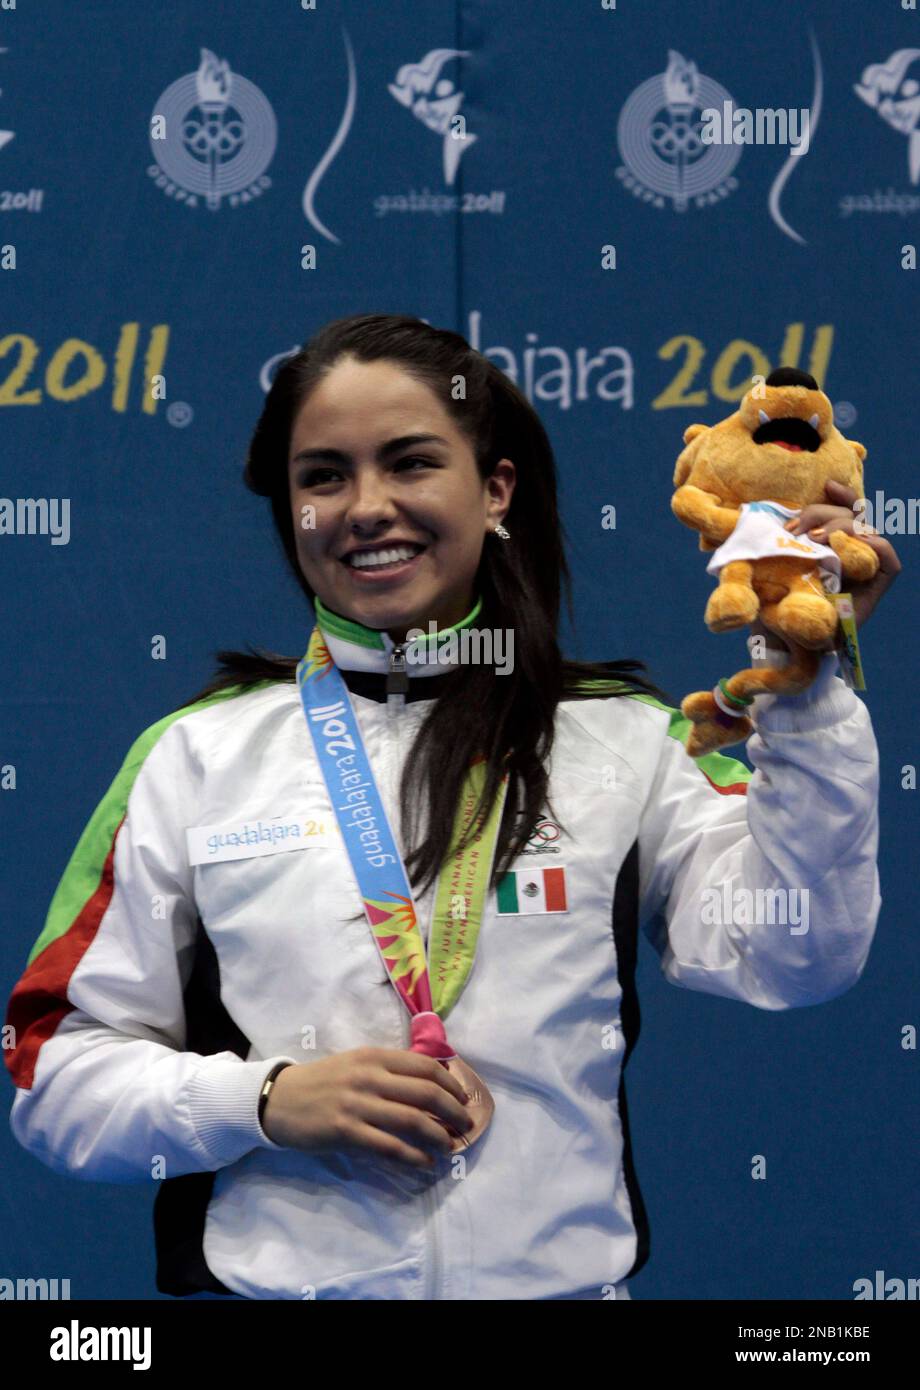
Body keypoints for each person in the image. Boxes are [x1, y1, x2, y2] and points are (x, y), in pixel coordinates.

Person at [3, 314, 900, 1301]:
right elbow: (52, 1076)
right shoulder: (195, 756)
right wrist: (263, 1098)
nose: (366, 506)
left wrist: (806, 689)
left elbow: (795, 954)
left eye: (410, 463)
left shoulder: (624, 738)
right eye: (323, 476)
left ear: (495, 489)